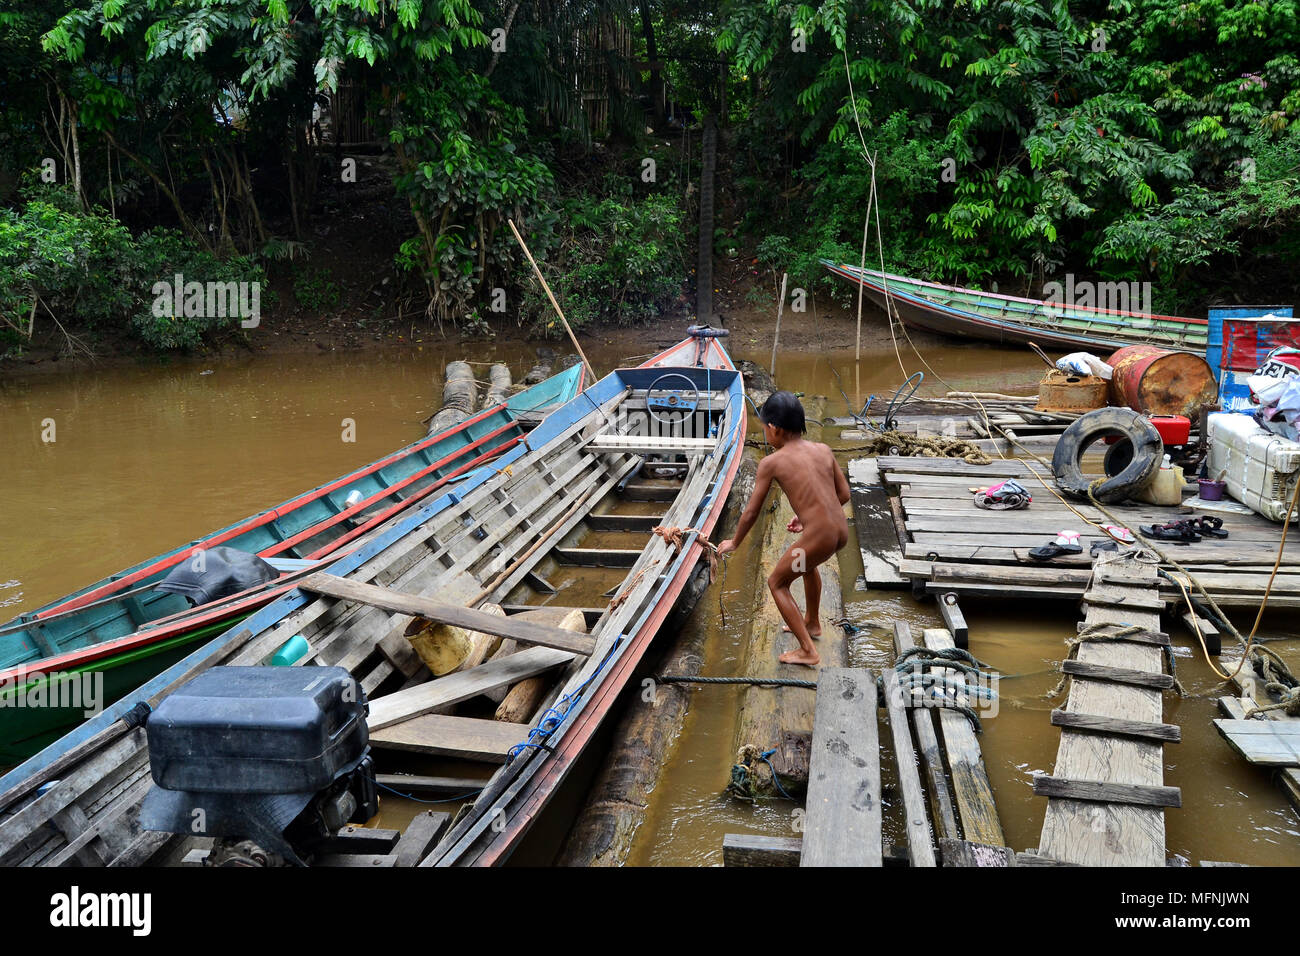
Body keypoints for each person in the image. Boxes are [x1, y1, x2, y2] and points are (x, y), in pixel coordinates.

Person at [717, 391, 850, 666]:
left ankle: (807, 651)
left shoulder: (772, 462)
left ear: (774, 428)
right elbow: (844, 494)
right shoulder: (822, 450)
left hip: (821, 537)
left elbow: (752, 511)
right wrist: (808, 519)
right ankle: (812, 623)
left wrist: (734, 542)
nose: (765, 432)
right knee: (805, 563)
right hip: (838, 533)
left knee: (777, 582)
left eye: (765, 427)